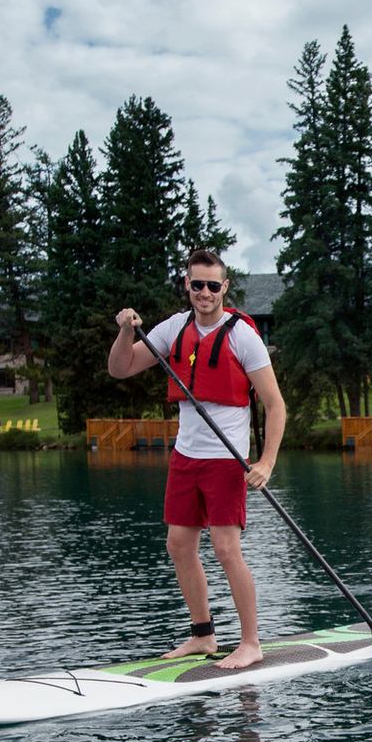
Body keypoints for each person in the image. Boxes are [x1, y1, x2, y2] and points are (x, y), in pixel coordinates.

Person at [109, 249, 288, 668]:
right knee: (179, 544)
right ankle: (203, 636)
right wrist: (124, 332)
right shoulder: (175, 328)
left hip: (227, 460)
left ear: (224, 287)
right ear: (187, 286)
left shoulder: (243, 336)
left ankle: (250, 642)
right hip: (185, 457)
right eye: (197, 284)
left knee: (226, 548)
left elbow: (276, 406)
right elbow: (121, 368)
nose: (204, 292)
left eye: (212, 285)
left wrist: (266, 463)